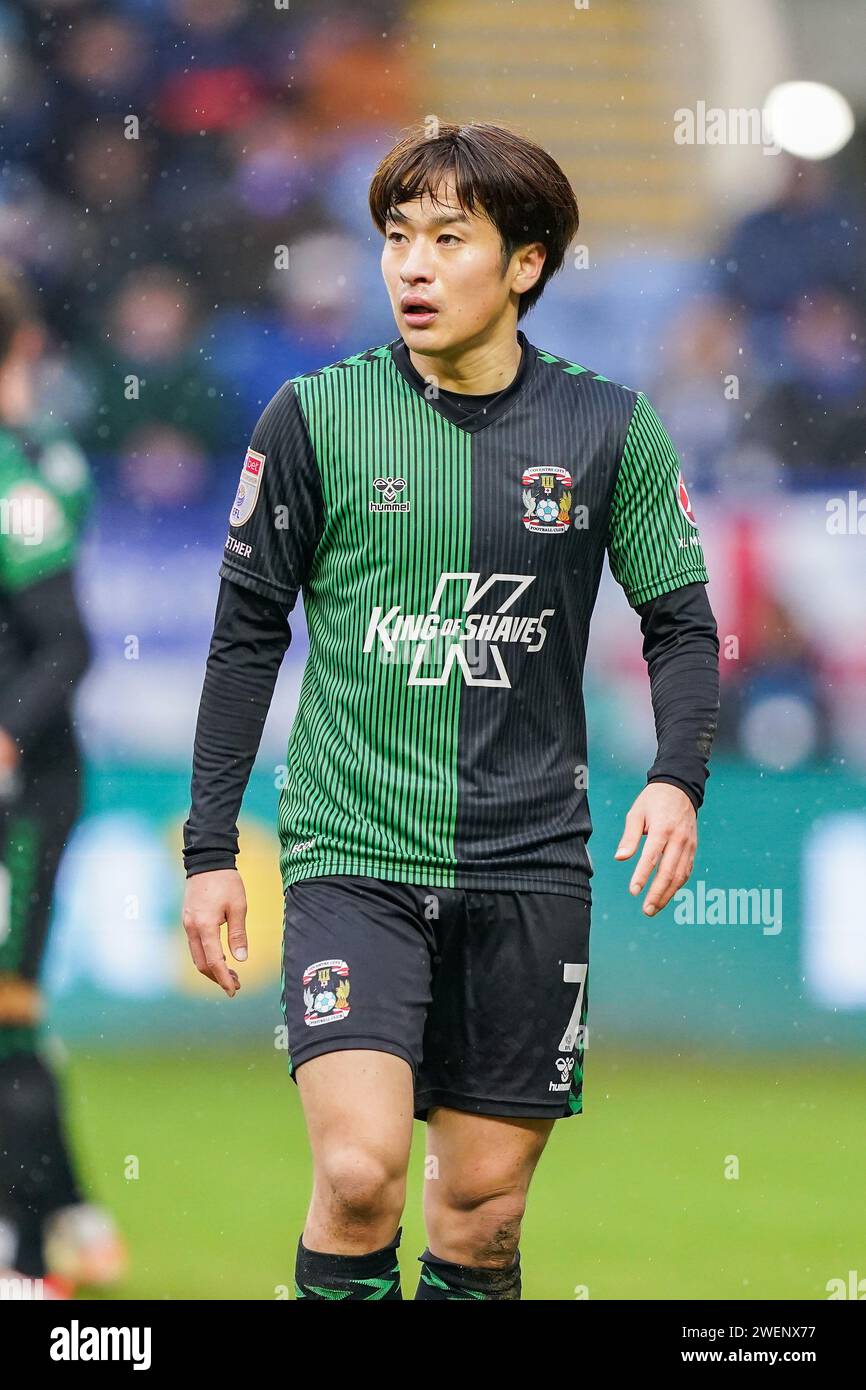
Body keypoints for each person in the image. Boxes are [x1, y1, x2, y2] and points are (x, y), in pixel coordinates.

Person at [182, 122, 720, 1301]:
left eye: (447, 239)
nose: (411, 267)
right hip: (353, 852)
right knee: (363, 1169)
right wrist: (211, 847)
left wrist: (677, 774)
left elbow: (680, 624)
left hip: (530, 860)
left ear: (524, 264)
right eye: (395, 239)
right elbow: (245, 637)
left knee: (480, 1215)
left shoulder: (606, 429)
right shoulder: (314, 418)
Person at [0, 268, 125, 1293]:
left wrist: (3, 735)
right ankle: (66, 1220)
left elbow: (65, 643)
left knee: (7, 1013)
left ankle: (36, 1253)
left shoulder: (25, 474)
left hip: (24, 791)